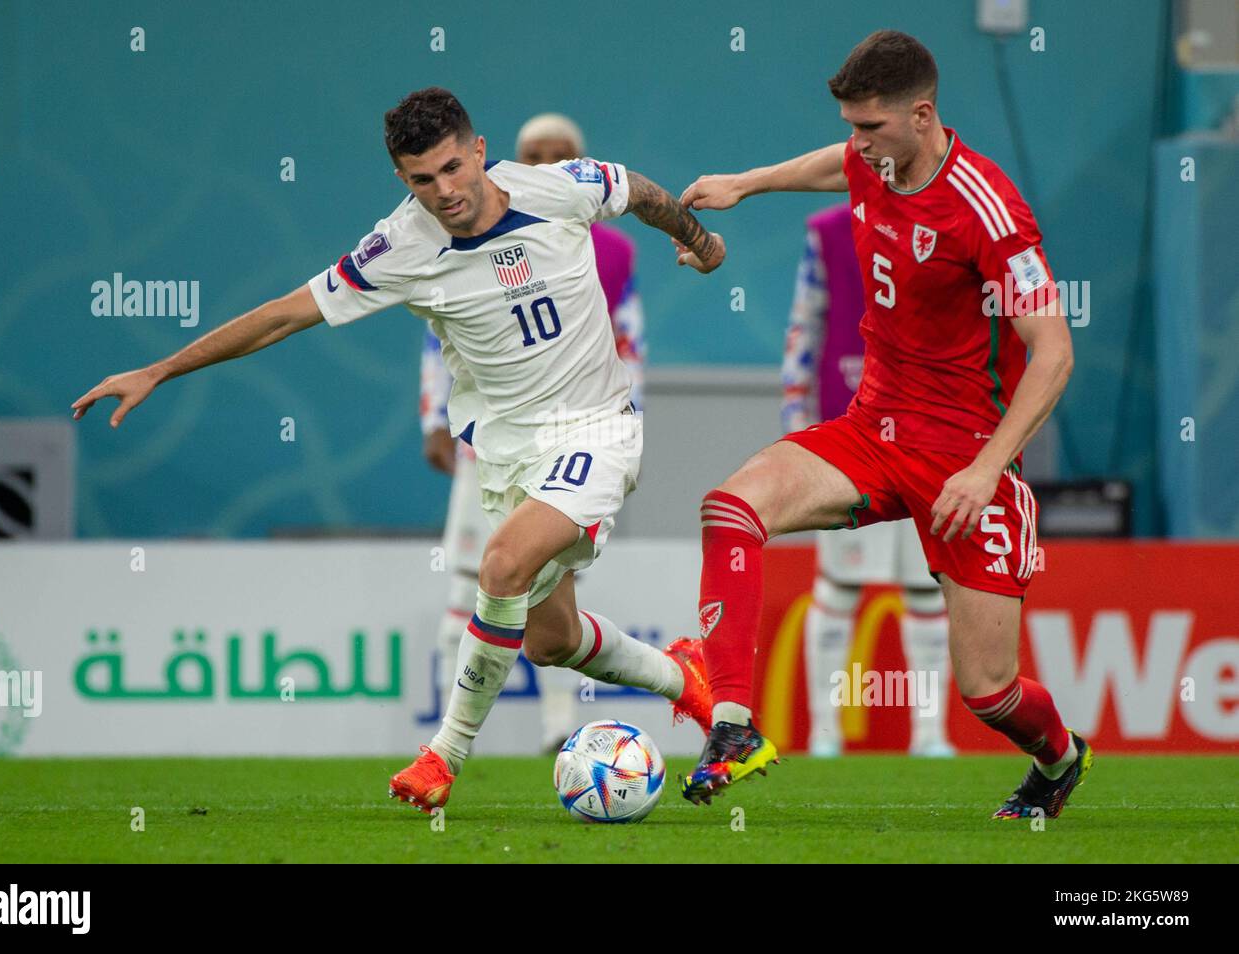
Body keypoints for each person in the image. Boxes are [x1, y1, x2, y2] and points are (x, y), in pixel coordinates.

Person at [71, 87, 725, 815]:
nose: (444, 191)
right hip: (508, 452)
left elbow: (637, 190)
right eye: (422, 179)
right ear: (401, 179)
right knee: (551, 640)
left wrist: (698, 241)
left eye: (453, 167)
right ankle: (685, 678)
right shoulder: (399, 247)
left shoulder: (559, 186)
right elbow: (284, 315)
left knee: (501, 564)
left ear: (480, 150)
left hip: (598, 428)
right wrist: (159, 369)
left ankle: (443, 756)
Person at [675, 31, 1089, 818]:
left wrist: (987, 468)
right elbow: (839, 167)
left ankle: (1061, 760)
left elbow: (1055, 351)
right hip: (872, 430)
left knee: (989, 691)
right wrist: (747, 183)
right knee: (730, 508)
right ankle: (730, 726)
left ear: (923, 115)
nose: (856, 146)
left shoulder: (990, 210)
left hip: (965, 460)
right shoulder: (873, 160)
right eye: (851, 126)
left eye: (870, 128)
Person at [420, 112, 647, 754]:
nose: (548, 164)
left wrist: (624, 429)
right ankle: (442, 730)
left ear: (578, 157)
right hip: (488, 439)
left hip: (575, 436)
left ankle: (555, 730)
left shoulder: (611, 245)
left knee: (544, 594)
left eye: (561, 154)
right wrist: (436, 418)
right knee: (471, 579)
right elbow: (438, 340)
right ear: (509, 160)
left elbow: (631, 343)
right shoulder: (452, 234)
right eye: (535, 154)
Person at [782, 203, 953, 758]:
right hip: (849, 431)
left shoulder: (949, 221)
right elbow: (804, 326)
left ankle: (930, 734)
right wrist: (796, 430)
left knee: (929, 586)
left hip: (933, 432)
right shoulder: (827, 229)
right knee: (839, 583)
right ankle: (824, 732)